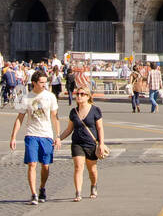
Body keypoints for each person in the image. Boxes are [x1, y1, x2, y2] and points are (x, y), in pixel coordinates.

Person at [9, 70, 60, 205]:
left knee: (45, 165)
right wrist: (13, 137)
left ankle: (42, 187)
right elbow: (20, 118)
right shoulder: (26, 98)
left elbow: (55, 117)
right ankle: (33, 194)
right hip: (31, 134)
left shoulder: (50, 97)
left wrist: (58, 136)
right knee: (32, 164)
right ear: (34, 83)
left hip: (46, 135)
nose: (44, 85)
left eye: (45, 82)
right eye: (41, 82)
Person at [58, 87, 107, 201]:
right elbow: (69, 129)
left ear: (88, 96)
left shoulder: (95, 110)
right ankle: (78, 192)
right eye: (77, 94)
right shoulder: (73, 112)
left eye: (82, 94)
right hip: (77, 143)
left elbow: (100, 128)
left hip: (91, 144)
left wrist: (101, 144)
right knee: (78, 167)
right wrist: (59, 138)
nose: (79, 96)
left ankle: (93, 185)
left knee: (92, 169)